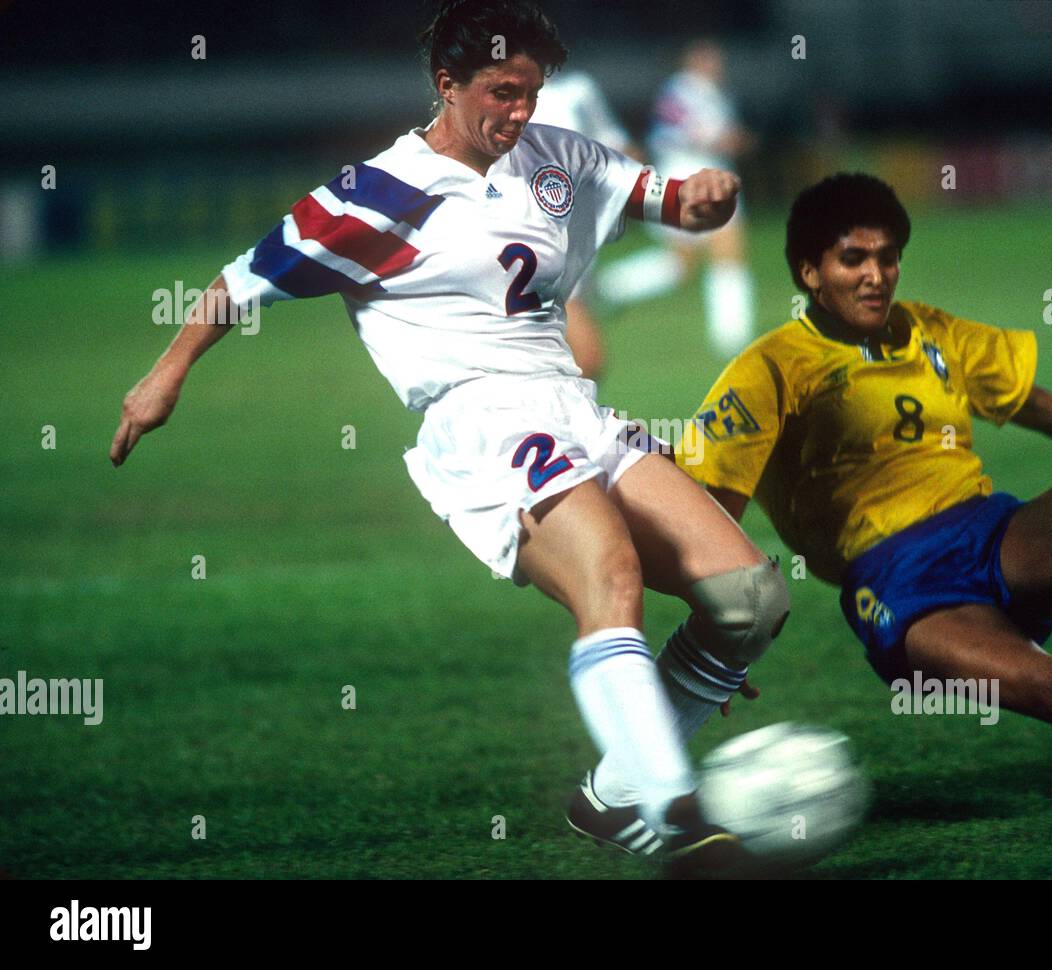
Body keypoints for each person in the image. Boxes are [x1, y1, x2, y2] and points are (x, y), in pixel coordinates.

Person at [108, 0, 790, 869]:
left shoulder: (559, 155)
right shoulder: (379, 193)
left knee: (749, 603)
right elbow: (245, 277)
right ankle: (675, 817)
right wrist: (165, 375)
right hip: (481, 419)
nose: (519, 112)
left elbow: (668, 200)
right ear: (447, 84)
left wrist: (706, 197)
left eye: (532, 93)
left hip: (571, 402)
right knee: (607, 577)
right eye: (502, 92)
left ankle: (615, 795)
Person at [676, 172, 1052, 812]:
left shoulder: (934, 333)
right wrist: (722, 639)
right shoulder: (768, 369)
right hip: (899, 588)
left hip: (993, 536)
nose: (876, 275)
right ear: (810, 272)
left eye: (888, 257)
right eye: (853, 259)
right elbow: (712, 508)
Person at [597, 39, 757, 359]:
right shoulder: (686, 91)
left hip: (682, 176)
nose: (717, 63)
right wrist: (736, 140)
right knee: (728, 249)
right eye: (709, 57)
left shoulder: (702, 91)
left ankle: (614, 285)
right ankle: (733, 336)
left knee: (680, 265)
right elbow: (697, 134)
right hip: (692, 177)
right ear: (693, 60)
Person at [529, 67, 639, 379]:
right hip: (538, 230)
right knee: (588, 360)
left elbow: (613, 142)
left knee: (579, 364)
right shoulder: (498, 96)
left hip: (577, 225)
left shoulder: (578, 90)